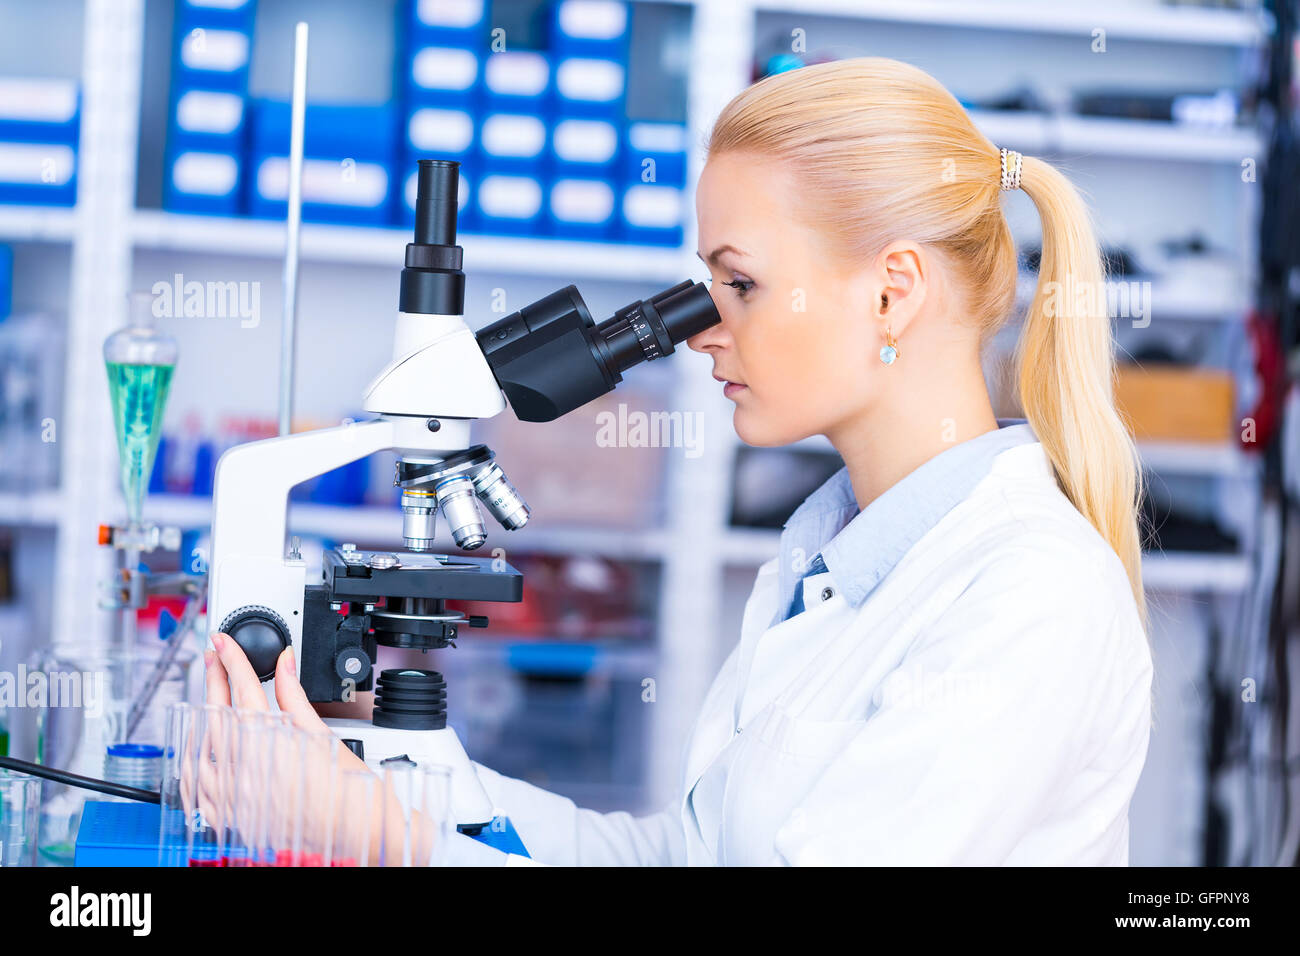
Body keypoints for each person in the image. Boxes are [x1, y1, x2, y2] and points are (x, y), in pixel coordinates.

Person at [207, 56, 1153, 865]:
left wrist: (381, 841)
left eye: (740, 284)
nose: (703, 332)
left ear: (891, 293)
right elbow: (680, 859)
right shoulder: (828, 556)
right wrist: (416, 790)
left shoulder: (1028, 596)